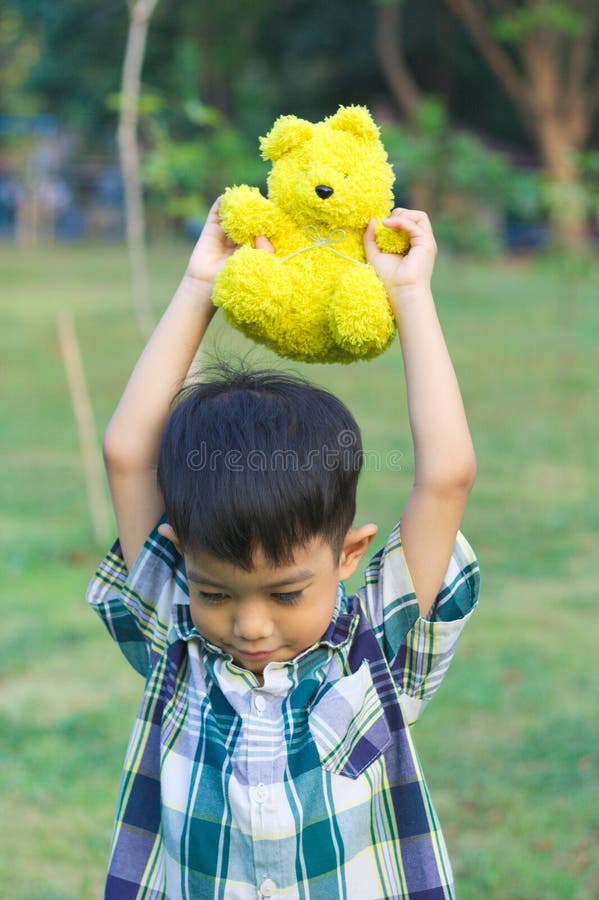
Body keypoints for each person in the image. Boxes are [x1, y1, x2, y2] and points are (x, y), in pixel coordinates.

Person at [87, 197, 480, 899]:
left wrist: (409, 294)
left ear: (349, 555)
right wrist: (200, 287)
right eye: (215, 591)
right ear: (180, 563)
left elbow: (445, 477)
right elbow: (127, 452)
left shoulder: (378, 651)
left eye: (286, 592)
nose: (250, 624)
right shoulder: (175, 646)